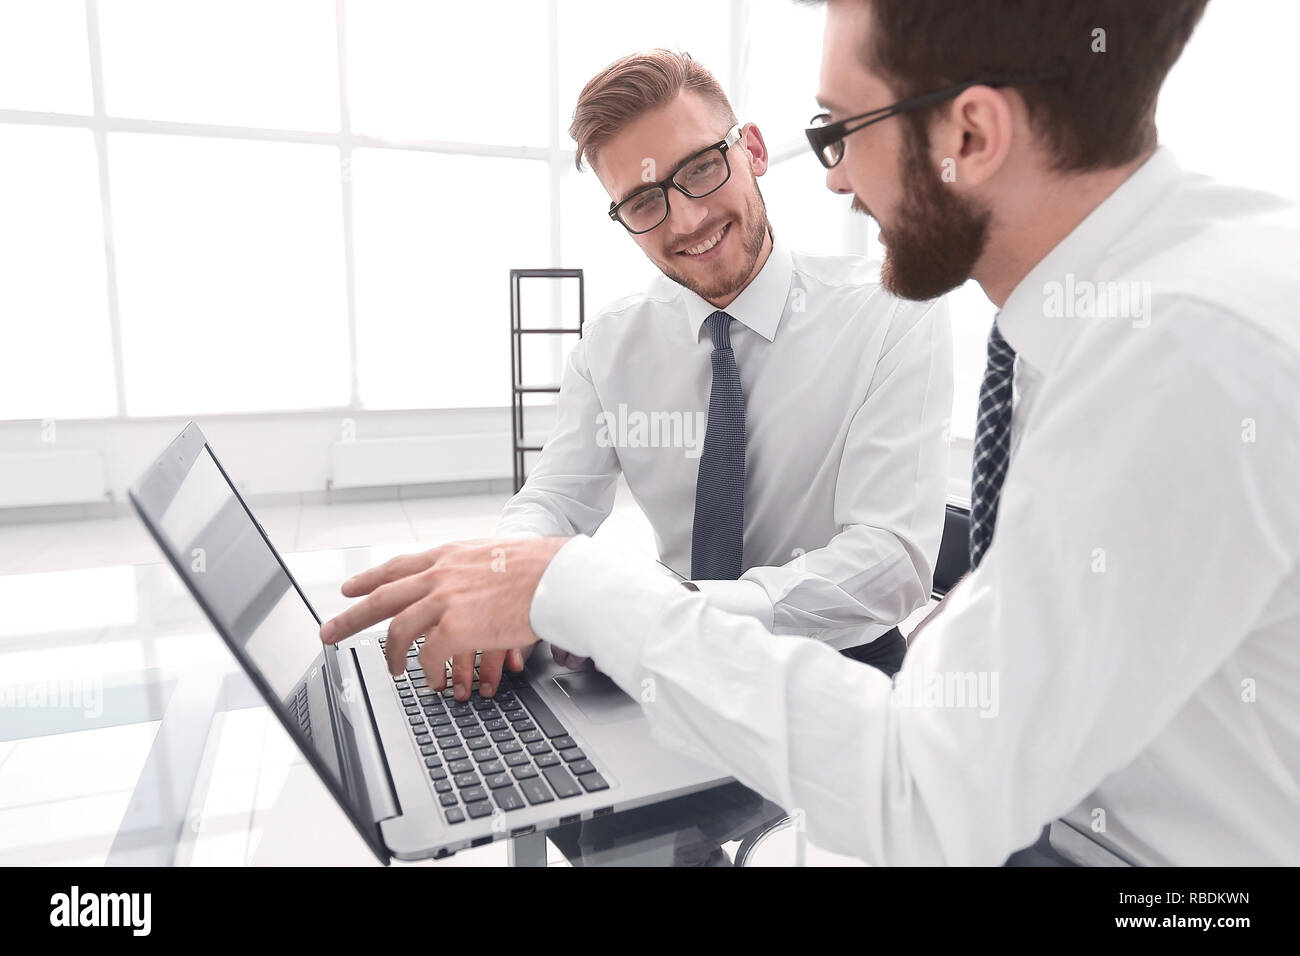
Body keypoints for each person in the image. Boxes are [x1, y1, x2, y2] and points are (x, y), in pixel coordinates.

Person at [322, 0, 1300, 865]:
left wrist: (583, 592)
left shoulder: (1180, 351)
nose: (832, 180)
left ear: (972, 129)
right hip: (1020, 793)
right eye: (642, 201)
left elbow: (923, 789)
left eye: (839, 129)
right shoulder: (1088, 323)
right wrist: (520, 582)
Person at [479, 49, 952, 697]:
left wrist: (677, 611)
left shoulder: (889, 312)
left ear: (751, 150)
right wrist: (506, 578)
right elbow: (556, 499)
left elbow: (892, 560)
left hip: (836, 674)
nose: (688, 219)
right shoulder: (612, 341)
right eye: (644, 202)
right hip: (664, 668)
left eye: (700, 168)